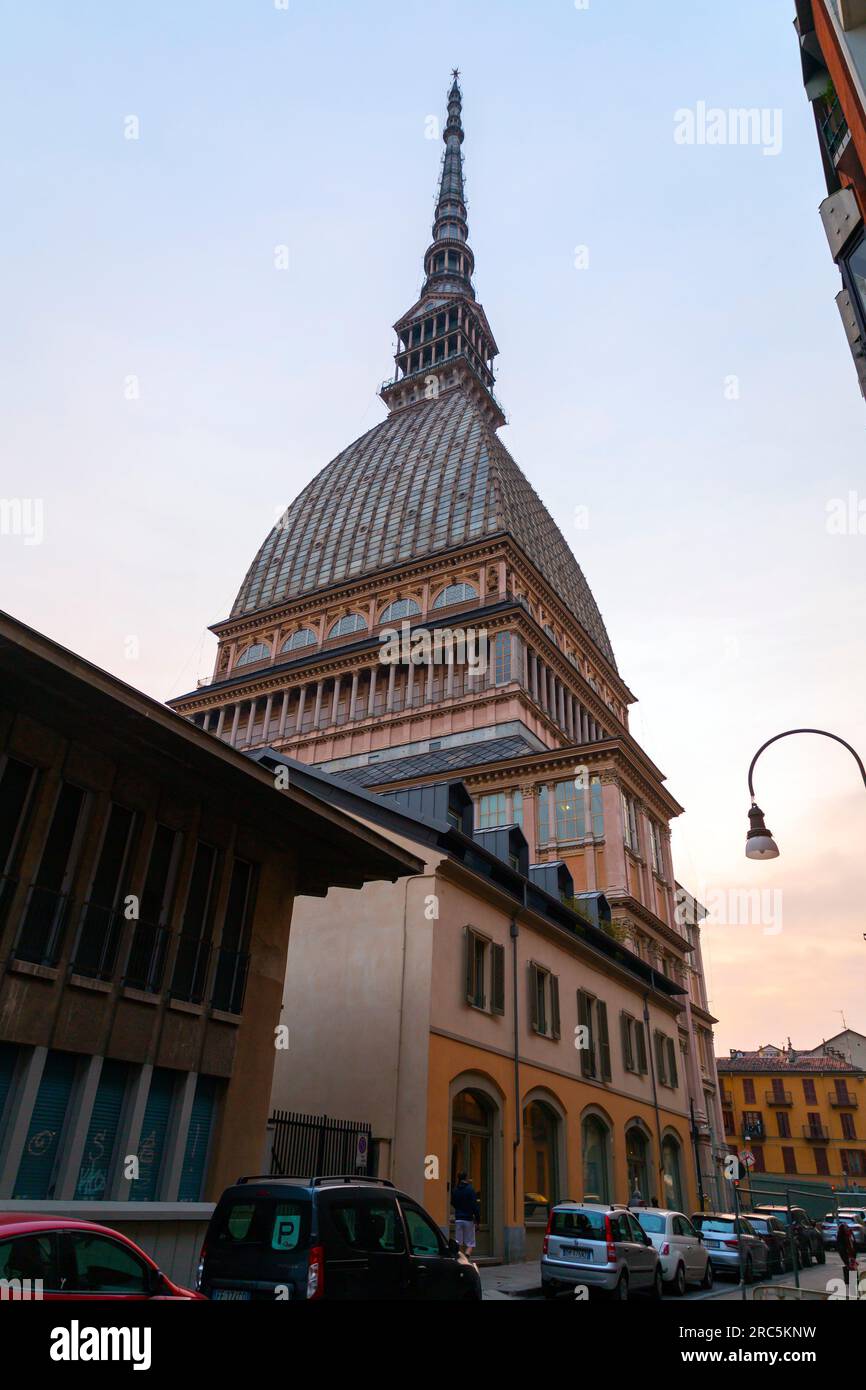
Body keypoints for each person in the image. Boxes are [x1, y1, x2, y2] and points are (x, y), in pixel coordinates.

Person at [451, 1171, 481, 1257]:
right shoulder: (470, 1189)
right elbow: (474, 1206)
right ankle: (467, 1256)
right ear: (466, 1178)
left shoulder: (455, 1190)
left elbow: (453, 1202)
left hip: (458, 1219)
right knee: (470, 1243)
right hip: (468, 1219)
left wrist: (458, 1209)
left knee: (458, 1242)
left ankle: (460, 1259)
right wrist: (478, 1221)